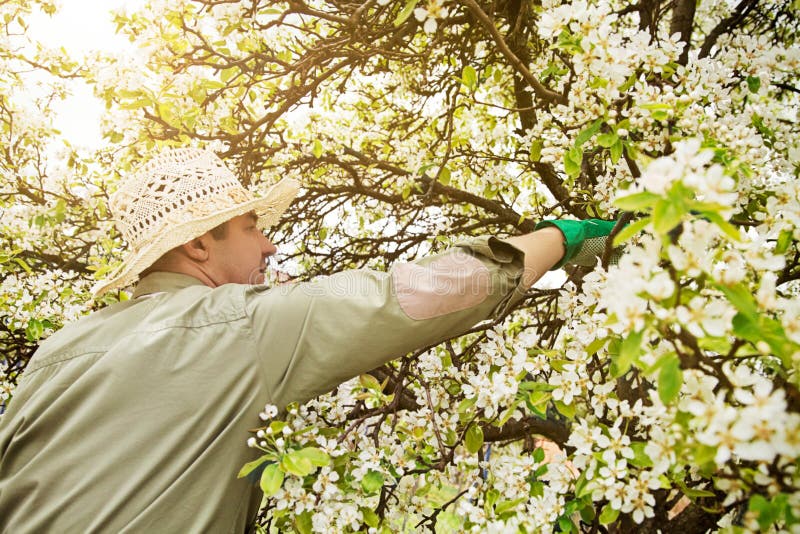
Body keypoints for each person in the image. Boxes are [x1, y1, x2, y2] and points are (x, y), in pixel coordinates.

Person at [0, 148, 619, 532]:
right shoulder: (237, 326)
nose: (269, 244)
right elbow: (425, 293)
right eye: (250, 227)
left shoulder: (59, 351)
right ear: (198, 245)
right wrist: (558, 240)